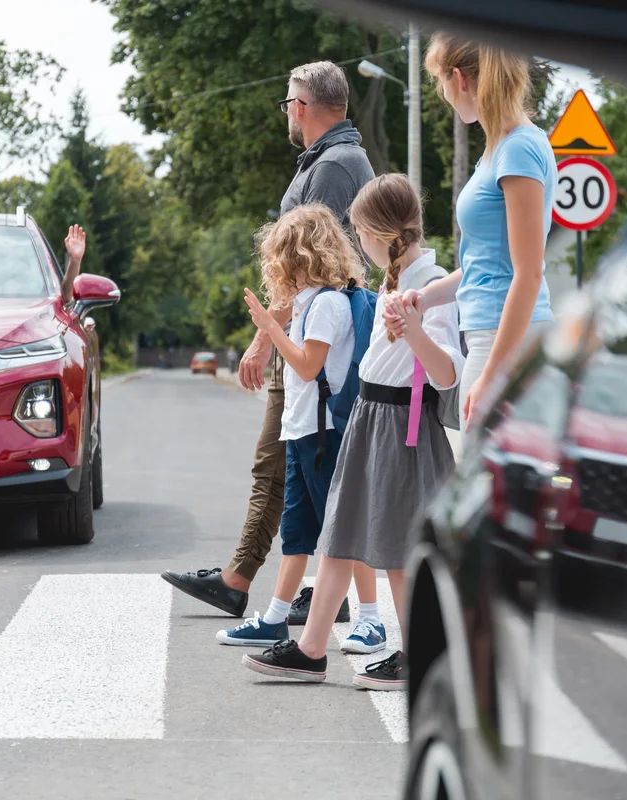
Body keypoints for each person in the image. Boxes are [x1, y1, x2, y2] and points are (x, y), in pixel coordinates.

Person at [161, 60, 377, 627]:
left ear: (302, 107)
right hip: (306, 334)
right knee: (292, 469)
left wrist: (263, 341)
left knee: (285, 466)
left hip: (310, 340)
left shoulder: (333, 168)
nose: (286, 112)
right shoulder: (331, 161)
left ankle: (252, 583)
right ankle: (287, 583)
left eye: (287, 102)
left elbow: (311, 266)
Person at [242, 174, 462, 688]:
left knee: (397, 543)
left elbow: (447, 373)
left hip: (401, 424)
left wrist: (413, 327)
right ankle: (312, 649)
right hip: (371, 416)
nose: (356, 242)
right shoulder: (396, 276)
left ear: (382, 234)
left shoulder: (431, 285)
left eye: (360, 232)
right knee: (341, 533)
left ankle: (416, 655)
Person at [216, 204, 375, 647]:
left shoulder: (326, 305)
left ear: (298, 255)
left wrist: (270, 327)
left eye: (280, 255)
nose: (275, 267)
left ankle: (372, 618)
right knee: (297, 531)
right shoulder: (311, 303)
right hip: (303, 430)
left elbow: (307, 367)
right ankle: (275, 617)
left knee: (344, 531)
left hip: (324, 433)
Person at [385, 35, 556, 447]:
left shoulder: (517, 150)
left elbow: (528, 274)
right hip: (496, 336)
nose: (443, 95)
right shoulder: (502, 148)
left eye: (439, 82)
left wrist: (494, 373)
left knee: (488, 495)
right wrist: (423, 298)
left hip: (503, 342)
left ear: (459, 79)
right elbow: (484, 267)